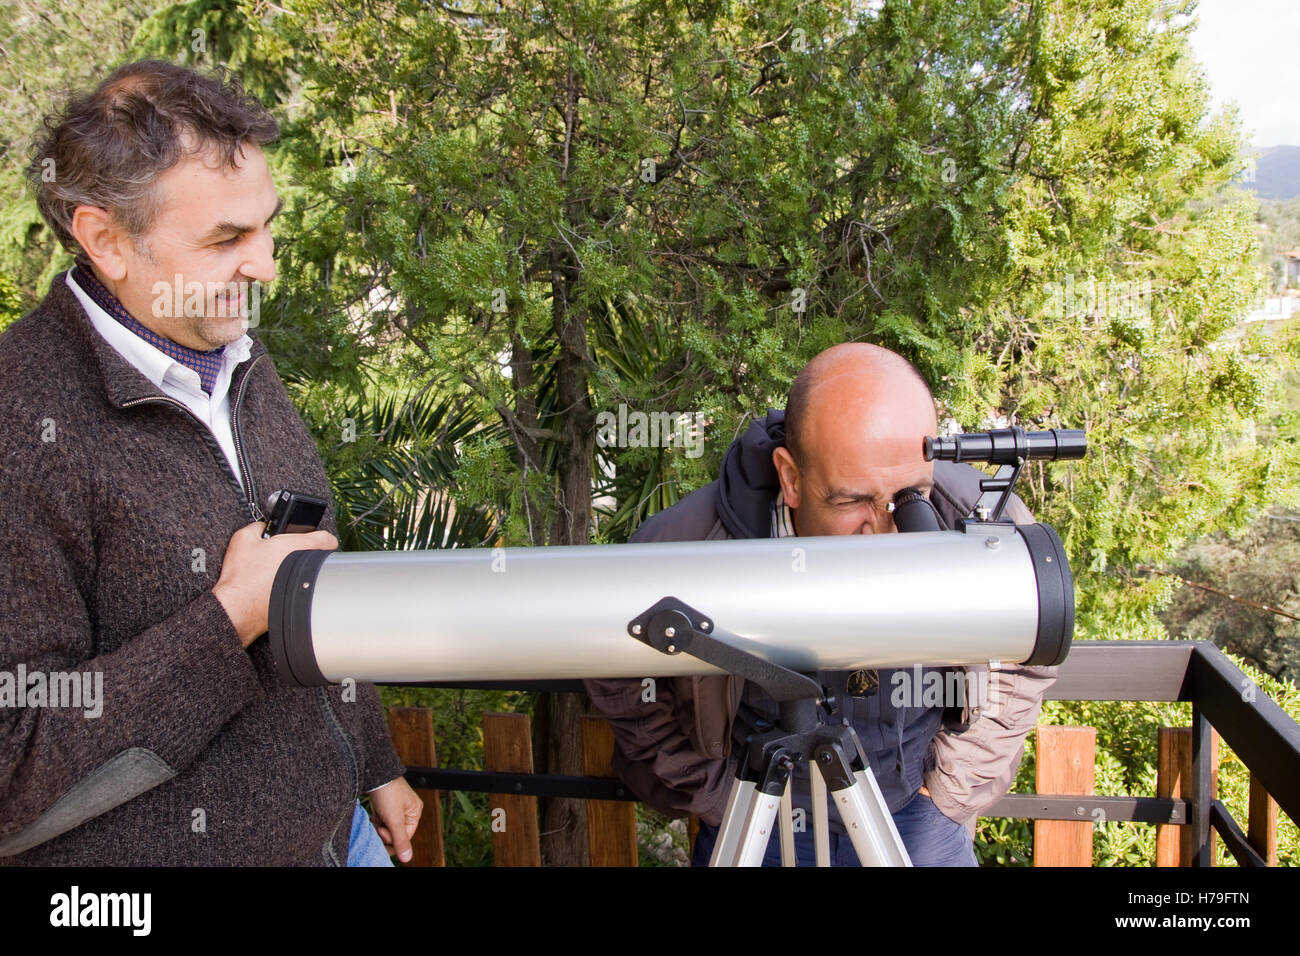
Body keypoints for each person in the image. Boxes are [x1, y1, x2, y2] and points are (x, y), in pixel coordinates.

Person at [0, 60, 421, 865]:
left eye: (268, 224)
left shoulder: (234, 356)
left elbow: (310, 582)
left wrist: (373, 764)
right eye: (227, 238)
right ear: (104, 239)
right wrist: (232, 619)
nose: (266, 266)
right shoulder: (20, 423)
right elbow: (14, 764)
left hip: (344, 840)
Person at [585, 343, 1058, 866]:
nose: (884, 528)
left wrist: (949, 791)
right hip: (759, 817)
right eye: (852, 500)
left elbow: (1028, 655)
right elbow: (618, 675)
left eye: (908, 497)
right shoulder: (690, 545)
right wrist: (714, 794)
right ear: (790, 477)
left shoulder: (977, 520)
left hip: (914, 820)